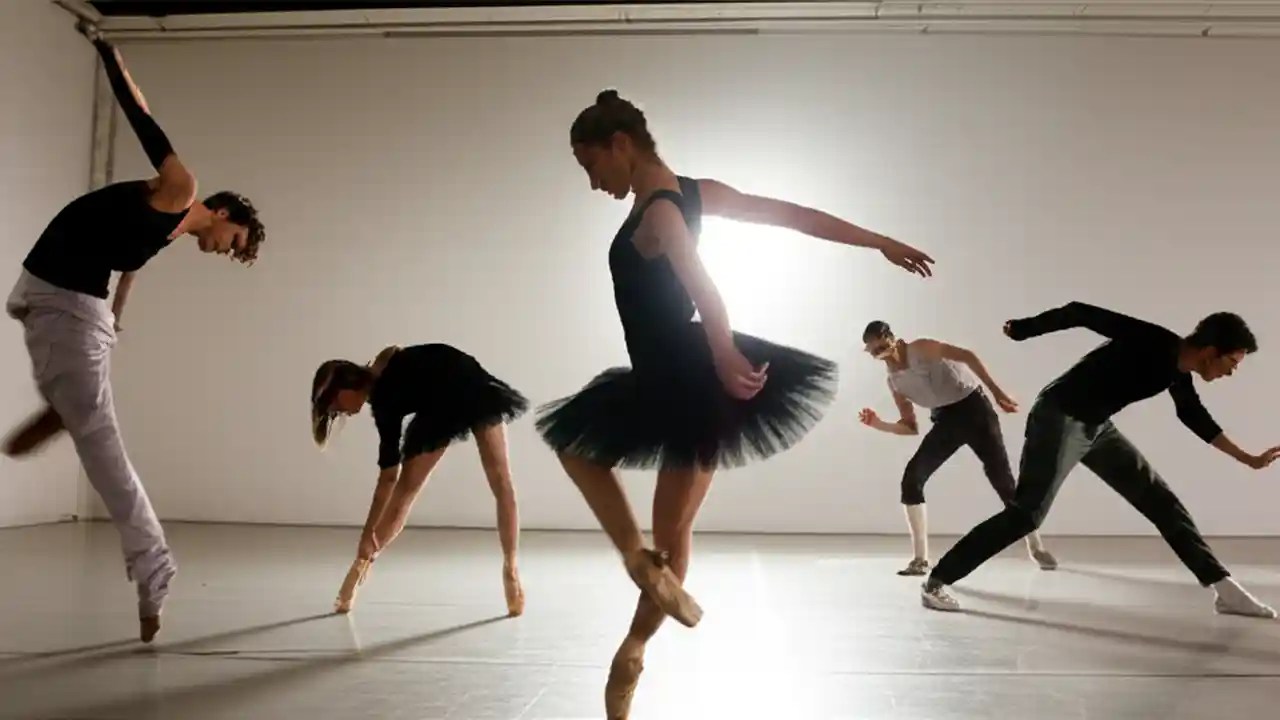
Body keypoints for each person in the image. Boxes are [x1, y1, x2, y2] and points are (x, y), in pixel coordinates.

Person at [536, 90, 936, 719]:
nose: (593, 183)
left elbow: (708, 290)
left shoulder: (661, 213)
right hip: (669, 373)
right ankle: (640, 609)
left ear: (620, 146)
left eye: (591, 167)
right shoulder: (693, 193)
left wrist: (723, 353)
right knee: (665, 524)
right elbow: (789, 215)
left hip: (686, 372)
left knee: (608, 479)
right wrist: (878, 240)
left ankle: (636, 623)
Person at [2, 21, 265, 643]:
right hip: (61, 301)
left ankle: (67, 408)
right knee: (105, 450)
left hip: (60, 302)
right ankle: (156, 565)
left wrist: (118, 317)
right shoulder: (181, 193)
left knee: (91, 424)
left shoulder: (169, 232)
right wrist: (108, 53)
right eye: (235, 243)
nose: (229, 252)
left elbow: (129, 266)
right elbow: (144, 121)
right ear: (223, 215)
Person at [920, 302, 1278, 619]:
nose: (1232, 371)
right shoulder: (1155, 341)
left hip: (1096, 426)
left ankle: (1224, 589)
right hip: (1058, 416)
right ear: (1211, 352)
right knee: (1027, 514)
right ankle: (937, 581)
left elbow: (1193, 415)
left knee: (1160, 500)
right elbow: (1081, 312)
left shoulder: (1179, 372)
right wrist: (1027, 328)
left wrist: (1247, 458)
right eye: (1232, 362)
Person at [310, 344, 529, 617]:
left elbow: (389, 479)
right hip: (453, 393)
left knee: (492, 481)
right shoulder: (381, 370)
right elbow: (392, 351)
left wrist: (368, 533)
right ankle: (360, 568)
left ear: (345, 389)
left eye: (336, 407)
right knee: (490, 482)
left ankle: (510, 567)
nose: (340, 414)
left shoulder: (384, 402)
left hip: (465, 388)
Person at [858, 321, 1057, 576]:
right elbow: (910, 426)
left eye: (883, 347)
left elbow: (967, 356)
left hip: (975, 410)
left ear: (892, 339)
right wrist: (878, 424)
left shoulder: (921, 348)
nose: (882, 355)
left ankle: (1035, 547)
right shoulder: (894, 381)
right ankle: (920, 560)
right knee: (912, 478)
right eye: (875, 353)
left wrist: (997, 393)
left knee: (1003, 481)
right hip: (945, 420)